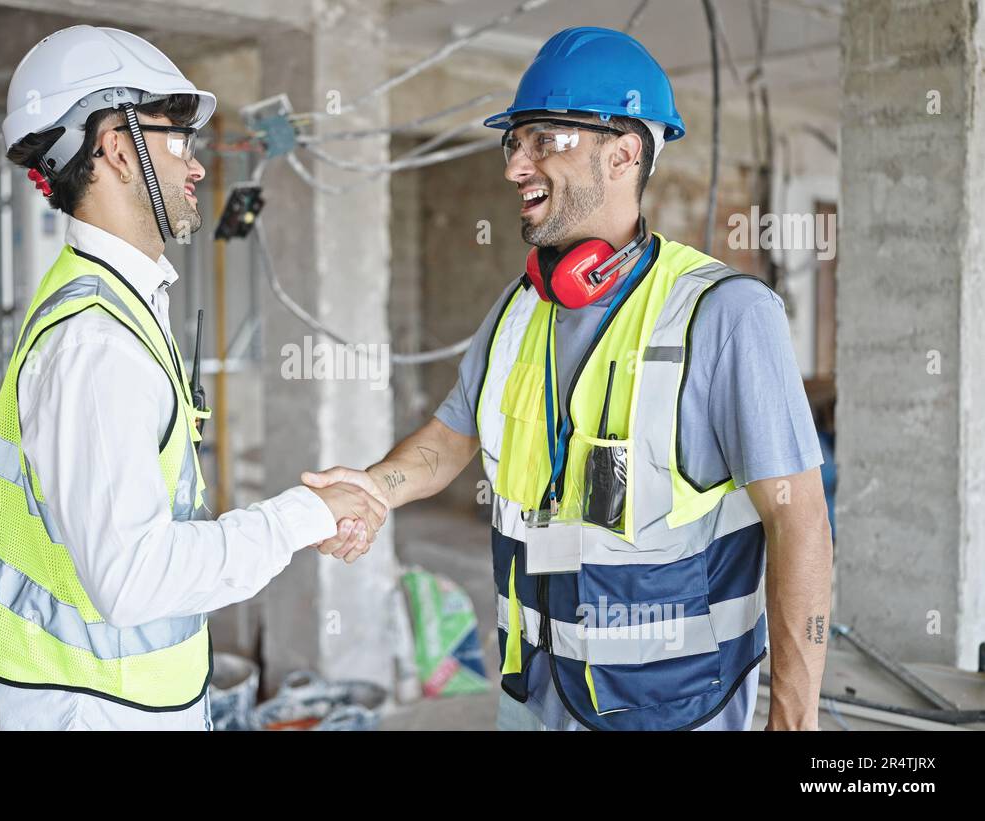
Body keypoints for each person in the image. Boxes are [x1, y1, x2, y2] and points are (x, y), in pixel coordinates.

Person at [304, 26, 832, 731]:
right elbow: (448, 438)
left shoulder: (726, 314)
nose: (515, 166)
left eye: (545, 140)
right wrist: (376, 489)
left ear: (624, 154)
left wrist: (793, 722)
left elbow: (800, 520)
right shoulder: (522, 308)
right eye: (513, 142)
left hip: (672, 709)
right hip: (532, 697)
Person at [0, 25, 385, 730]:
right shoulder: (97, 341)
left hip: (118, 698)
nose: (196, 165)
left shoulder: (117, 306)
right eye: (177, 139)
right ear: (116, 147)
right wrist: (306, 514)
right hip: (98, 708)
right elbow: (134, 576)